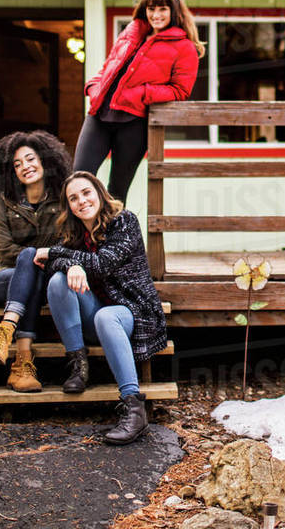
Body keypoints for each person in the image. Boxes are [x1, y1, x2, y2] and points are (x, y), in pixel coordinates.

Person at [41, 171, 167, 444]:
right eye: (73, 198)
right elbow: (51, 264)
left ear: (99, 193)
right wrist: (69, 264)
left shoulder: (124, 221)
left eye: (86, 192)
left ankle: (134, 407)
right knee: (57, 282)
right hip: (95, 314)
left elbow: (102, 264)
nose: (81, 201)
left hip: (133, 311)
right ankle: (78, 365)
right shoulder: (74, 234)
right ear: (69, 207)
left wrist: (57, 255)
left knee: (106, 316)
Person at [75, 0, 204, 201]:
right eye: (151, 8)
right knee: (79, 180)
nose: (156, 15)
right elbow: (109, 67)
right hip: (99, 114)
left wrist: (142, 94)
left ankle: (115, 236)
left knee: (117, 191)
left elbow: (180, 90)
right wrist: (93, 87)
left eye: (162, 9)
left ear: (174, 12)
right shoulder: (132, 32)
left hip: (133, 125)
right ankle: (81, 236)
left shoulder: (185, 48)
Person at [0, 130, 71, 392]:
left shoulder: (62, 199)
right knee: (29, 258)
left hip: (39, 276)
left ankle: (7, 335)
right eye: (17, 164)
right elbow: (3, 250)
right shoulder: (0, 200)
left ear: (45, 161)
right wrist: (38, 256)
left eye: (30, 159)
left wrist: (37, 258)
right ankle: (22, 364)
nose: (25, 166)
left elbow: (67, 244)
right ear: (10, 171)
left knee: (32, 265)